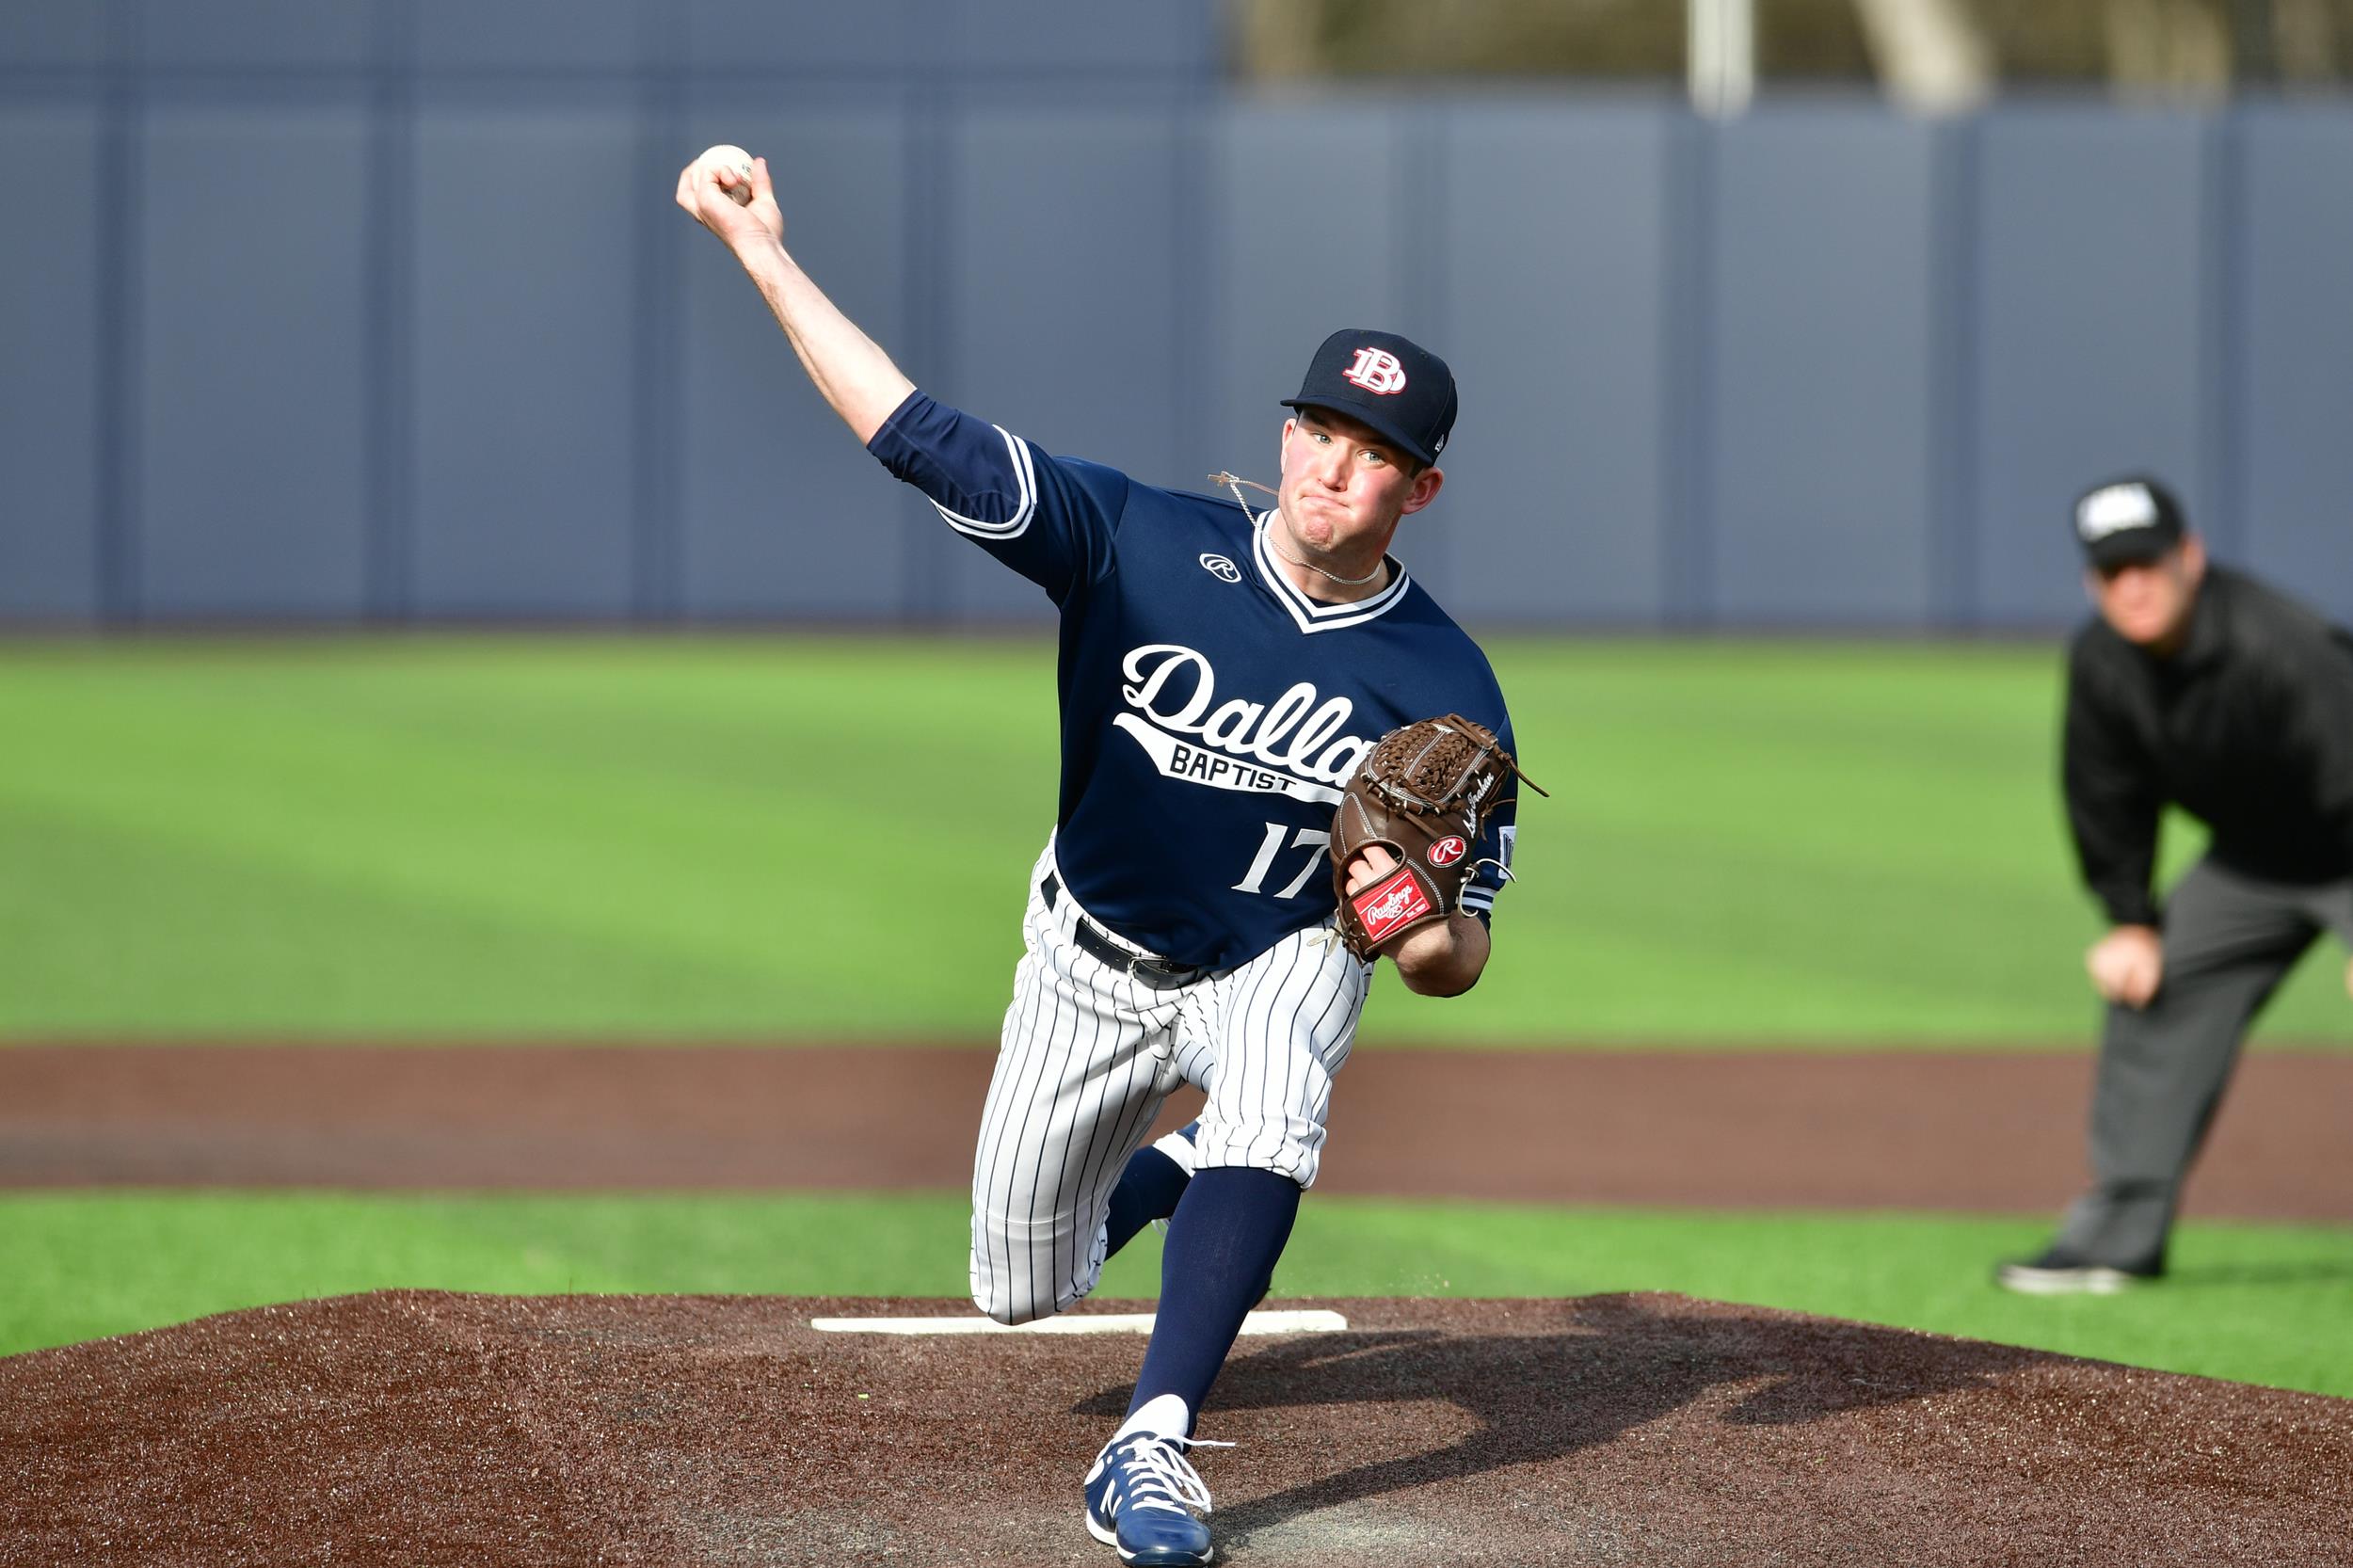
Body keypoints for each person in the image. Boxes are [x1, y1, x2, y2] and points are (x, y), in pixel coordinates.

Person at [677, 153, 1524, 1562]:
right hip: (1089, 953)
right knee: (1018, 1286)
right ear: (1287, 431)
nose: (1335, 465)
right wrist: (758, 249)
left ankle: (1150, 1446)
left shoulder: (1451, 686)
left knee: (1282, 1083)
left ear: (1419, 488)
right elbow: (913, 430)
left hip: (1279, 951)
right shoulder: (1137, 539)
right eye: (1320, 427)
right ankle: (1188, 1163)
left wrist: (1416, 926)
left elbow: (1459, 956)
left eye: (1375, 451)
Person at [1997, 476, 2353, 1295]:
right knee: (2153, 986)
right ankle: (2116, 1237)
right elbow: (2105, 793)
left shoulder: (2282, 646)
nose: (2133, 585)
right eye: (2112, 570)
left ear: (2189, 557)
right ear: (2093, 581)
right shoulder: (2103, 660)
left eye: (2147, 563)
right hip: (2253, 861)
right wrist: (2129, 919)